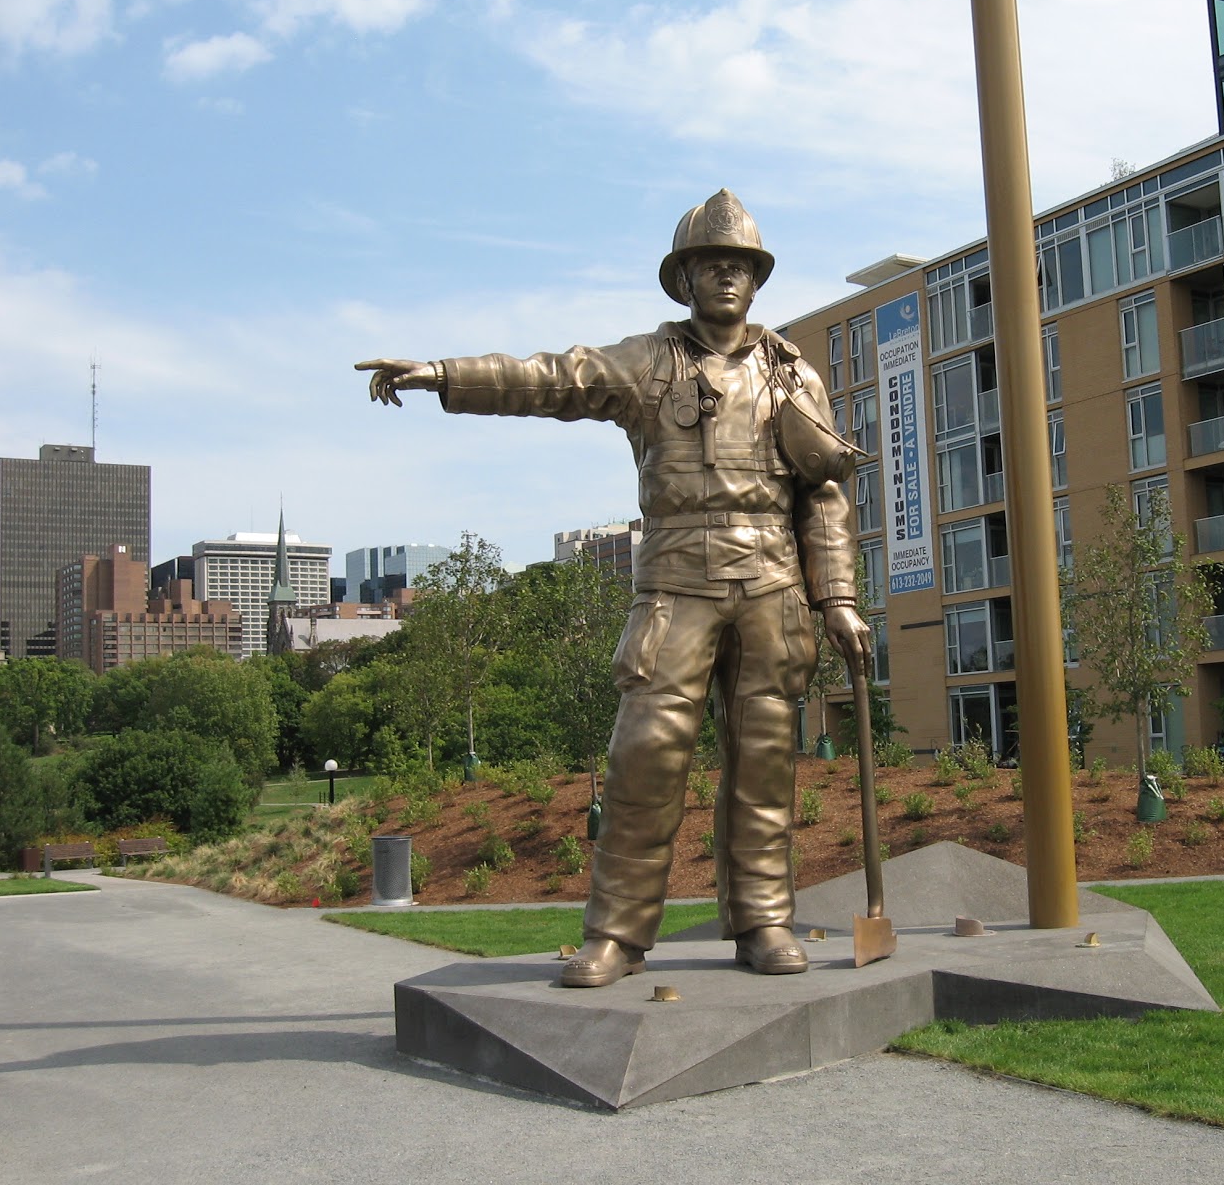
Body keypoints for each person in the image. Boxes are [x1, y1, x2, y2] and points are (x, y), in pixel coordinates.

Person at [358, 189, 871, 987]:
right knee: (644, 757)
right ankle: (619, 935)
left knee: (767, 762)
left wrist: (836, 596)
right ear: (685, 278)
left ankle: (765, 920)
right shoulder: (647, 362)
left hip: (772, 586)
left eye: (739, 266)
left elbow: (826, 493)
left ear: (757, 279)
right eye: (711, 265)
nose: (726, 278)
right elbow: (550, 379)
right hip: (675, 582)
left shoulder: (790, 372)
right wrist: (444, 374)